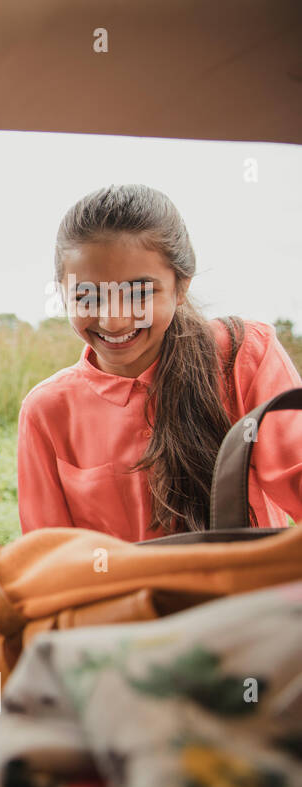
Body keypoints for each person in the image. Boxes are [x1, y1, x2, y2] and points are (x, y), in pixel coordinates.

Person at [18, 183, 302, 541]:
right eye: (86, 295)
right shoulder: (47, 410)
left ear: (180, 287)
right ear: (61, 293)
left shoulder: (244, 355)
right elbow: (50, 558)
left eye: (139, 292)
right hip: (122, 598)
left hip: (243, 595)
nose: (114, 321)